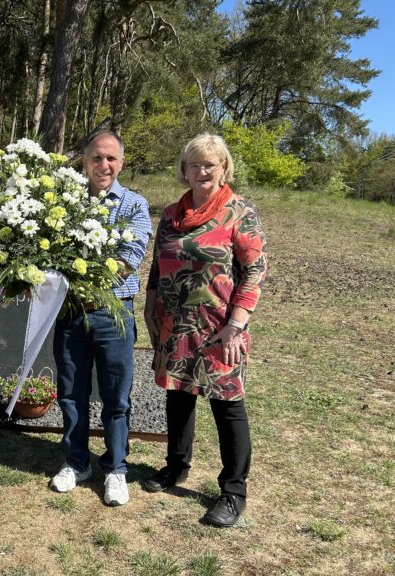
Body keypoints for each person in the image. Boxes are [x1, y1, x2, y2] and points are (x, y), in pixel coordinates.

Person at [142, 133, 267, 528]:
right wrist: (149, 305)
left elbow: (255, 270)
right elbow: (159, 266)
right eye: (194, 164)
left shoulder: (238, 212)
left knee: (227, 406)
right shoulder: (171, 214)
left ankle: (233, 491)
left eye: (210, 164)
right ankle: (176, 466)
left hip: (219, 330)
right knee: (177, 397)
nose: (202, 171)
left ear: (223, 168)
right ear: (184, 170)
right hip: (174, 325)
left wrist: (236, 325)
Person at [49, 130, 152, 506]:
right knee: (71, 394)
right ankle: (77, 463)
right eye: (96, 158)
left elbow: (128, 258)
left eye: (110, 158)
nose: (103, 165)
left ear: (121, 163)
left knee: (115, 396)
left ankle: (115, 468)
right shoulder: (64, 202)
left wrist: (76, 276)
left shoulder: (134, 206)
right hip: (71, 314)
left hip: (113, 314)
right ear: (84, 160)